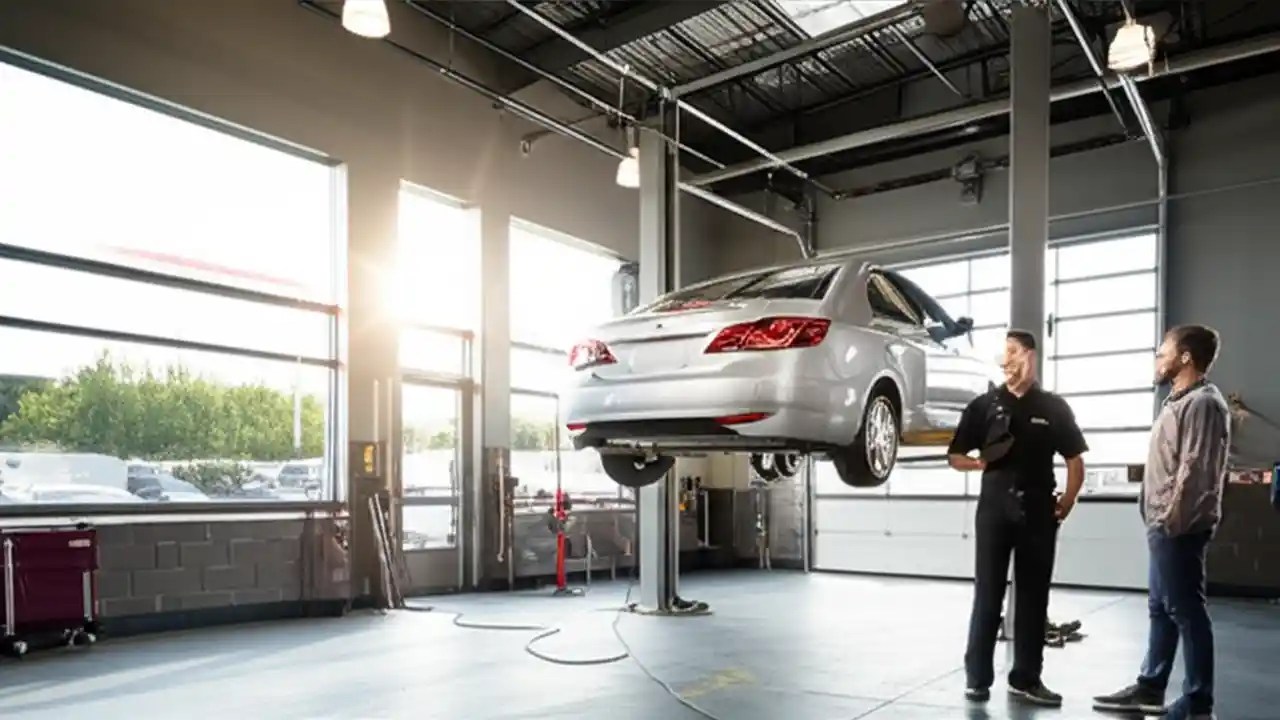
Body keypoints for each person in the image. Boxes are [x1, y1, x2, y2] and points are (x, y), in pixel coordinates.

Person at [1093, 325, 1229, 720]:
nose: (1158, 359)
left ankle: (1198, 702)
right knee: (1161, 608)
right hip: (1163, 525)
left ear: (1185, 357)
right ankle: (1151, 687)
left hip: (1180, 527)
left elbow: (1195, 469)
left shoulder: (1203, 403)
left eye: (1162, 352)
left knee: (1187, 610)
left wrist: (1170, 521)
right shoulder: (1176, 401)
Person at [947, 329, 1087, 707]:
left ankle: (1026, 679)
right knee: (988, 593)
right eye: (1002, 355)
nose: (1006, 362)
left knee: (1033, 597)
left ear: (1030, 355)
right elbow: (955, 453)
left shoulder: (1054, 407)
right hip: (993, 510)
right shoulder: (984, 405)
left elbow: (1075, 459)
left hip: (1039, 510)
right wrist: (976, 462)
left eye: (1012, 353)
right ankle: (977, 678)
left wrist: (1069, 500)